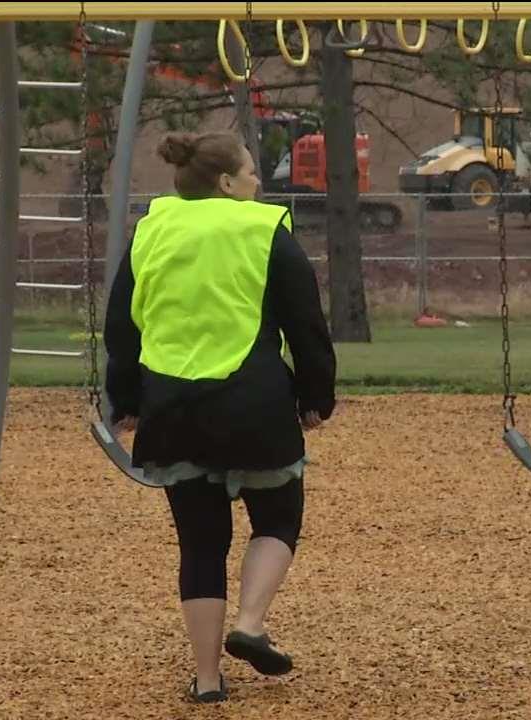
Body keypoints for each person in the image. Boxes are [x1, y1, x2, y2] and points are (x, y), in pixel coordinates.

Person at [103, 131, 336, 704]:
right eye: (253, 174)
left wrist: (127, 401)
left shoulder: (151, 233)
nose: (260, 184)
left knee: (200, 545)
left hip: (172, 408)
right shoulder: (263, 232)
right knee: (278, 516)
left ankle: (207, 680)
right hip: (253, 405)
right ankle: (251, 623)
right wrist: (315, 398)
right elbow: (306, 326)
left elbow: (121, 330)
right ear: (227, 183)